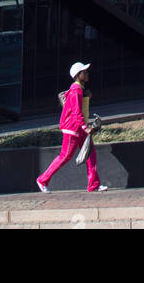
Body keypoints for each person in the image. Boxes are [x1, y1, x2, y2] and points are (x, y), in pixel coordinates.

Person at [37, 61, 106, 194]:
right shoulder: (76, 90)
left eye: (86, 72)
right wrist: (85, 127)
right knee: (65, 156)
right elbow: (76, 112)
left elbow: (80, 109)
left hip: (79, 128)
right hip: (73, 129)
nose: (87, 74)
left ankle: (94, 185)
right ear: (78, 75)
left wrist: (88, 98)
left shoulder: (80, 89)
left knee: (91, 154)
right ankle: (42, 180)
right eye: (84, 72)